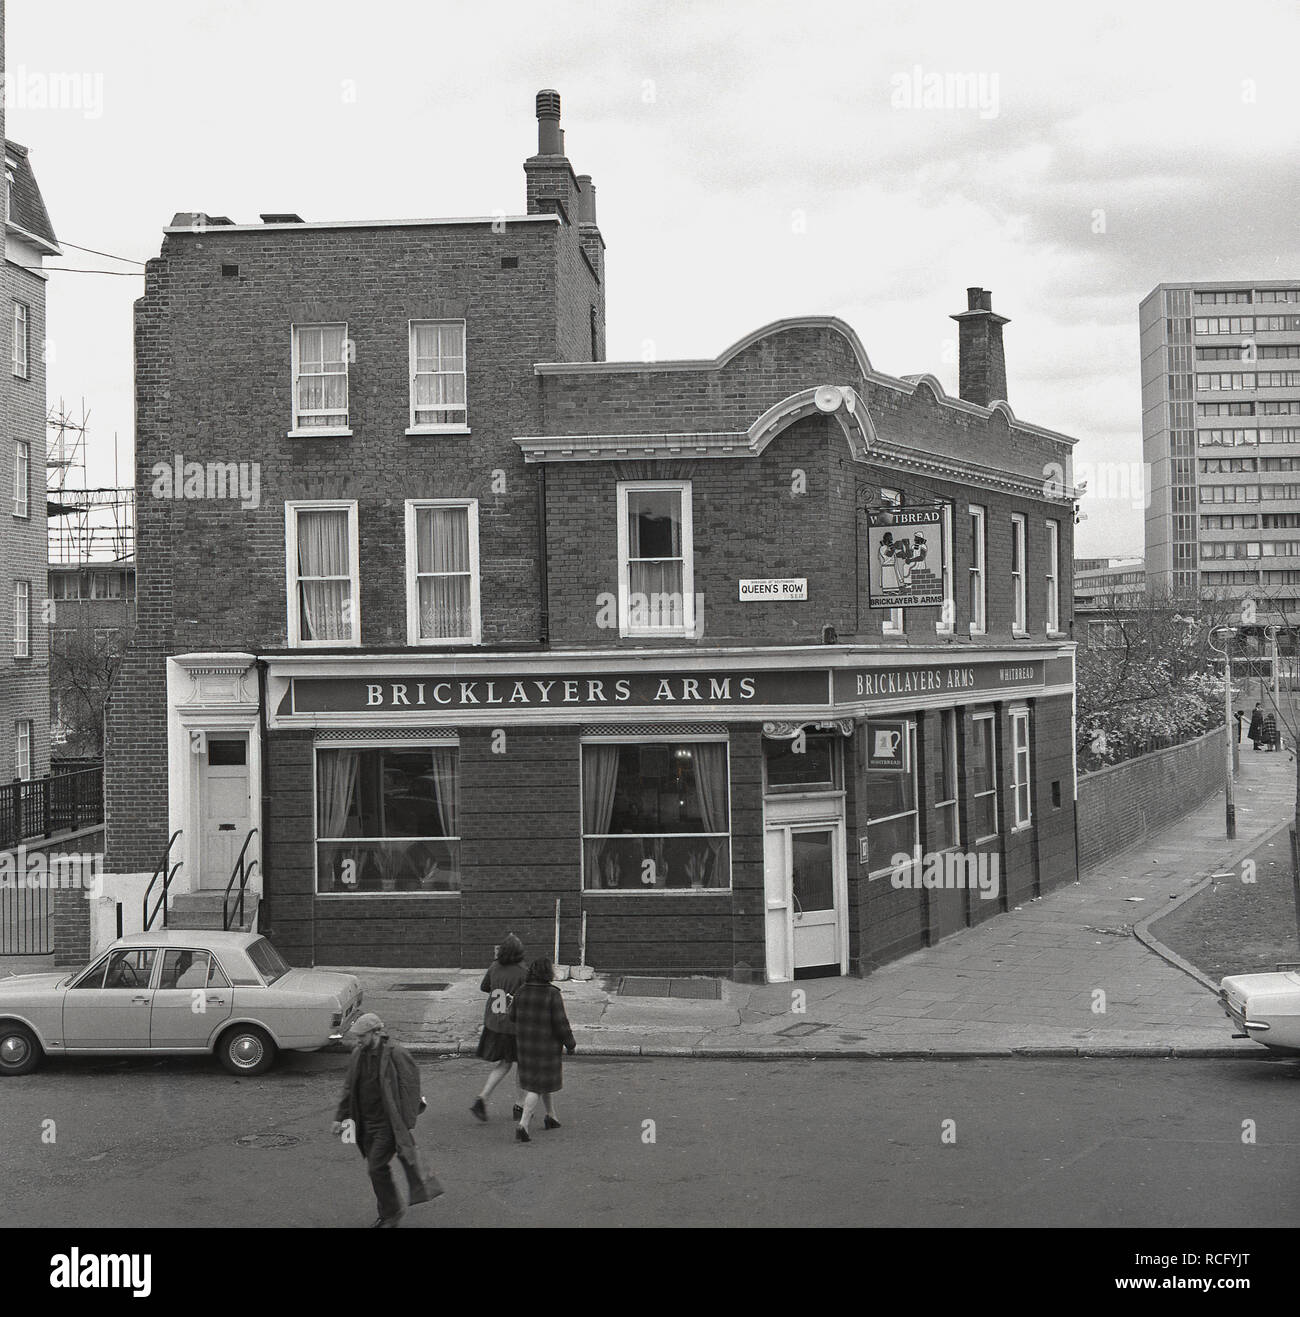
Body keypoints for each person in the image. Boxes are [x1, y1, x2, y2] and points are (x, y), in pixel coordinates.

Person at [331, 1013, 440, 1227]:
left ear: (377, 1033)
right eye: (357, 1036)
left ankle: (392, 1213)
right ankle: (387, 1212)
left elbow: (411, 1087)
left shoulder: (396, 1054)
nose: (358, 1040)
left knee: (375, 1168)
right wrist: (340, 1118)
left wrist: (405, 1123)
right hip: (364, 1122)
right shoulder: (357, 1054)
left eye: (362, 1036)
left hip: (387, 1124)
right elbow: (348, 1088)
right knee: (375, 1168)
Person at [509, 958, 576, 1143]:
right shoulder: (552, 994)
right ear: (548, 973)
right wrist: (570, 1044)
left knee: (540, 1082)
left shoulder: (520, 991)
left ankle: (551, 1116)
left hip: (525, 1046)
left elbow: (511, 1016)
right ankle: (523, 1125)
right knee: (537, 1087)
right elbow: (561, 1023)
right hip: (546, 1047)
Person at [470, 933, 528, 1122]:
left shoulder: (494, 966)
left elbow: (484, 987)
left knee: (504, 1063)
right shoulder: (522, 971)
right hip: (514, 1026)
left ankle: (483, 1097)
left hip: (494, 1023)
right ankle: (519, 1105)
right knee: (522, 1065)